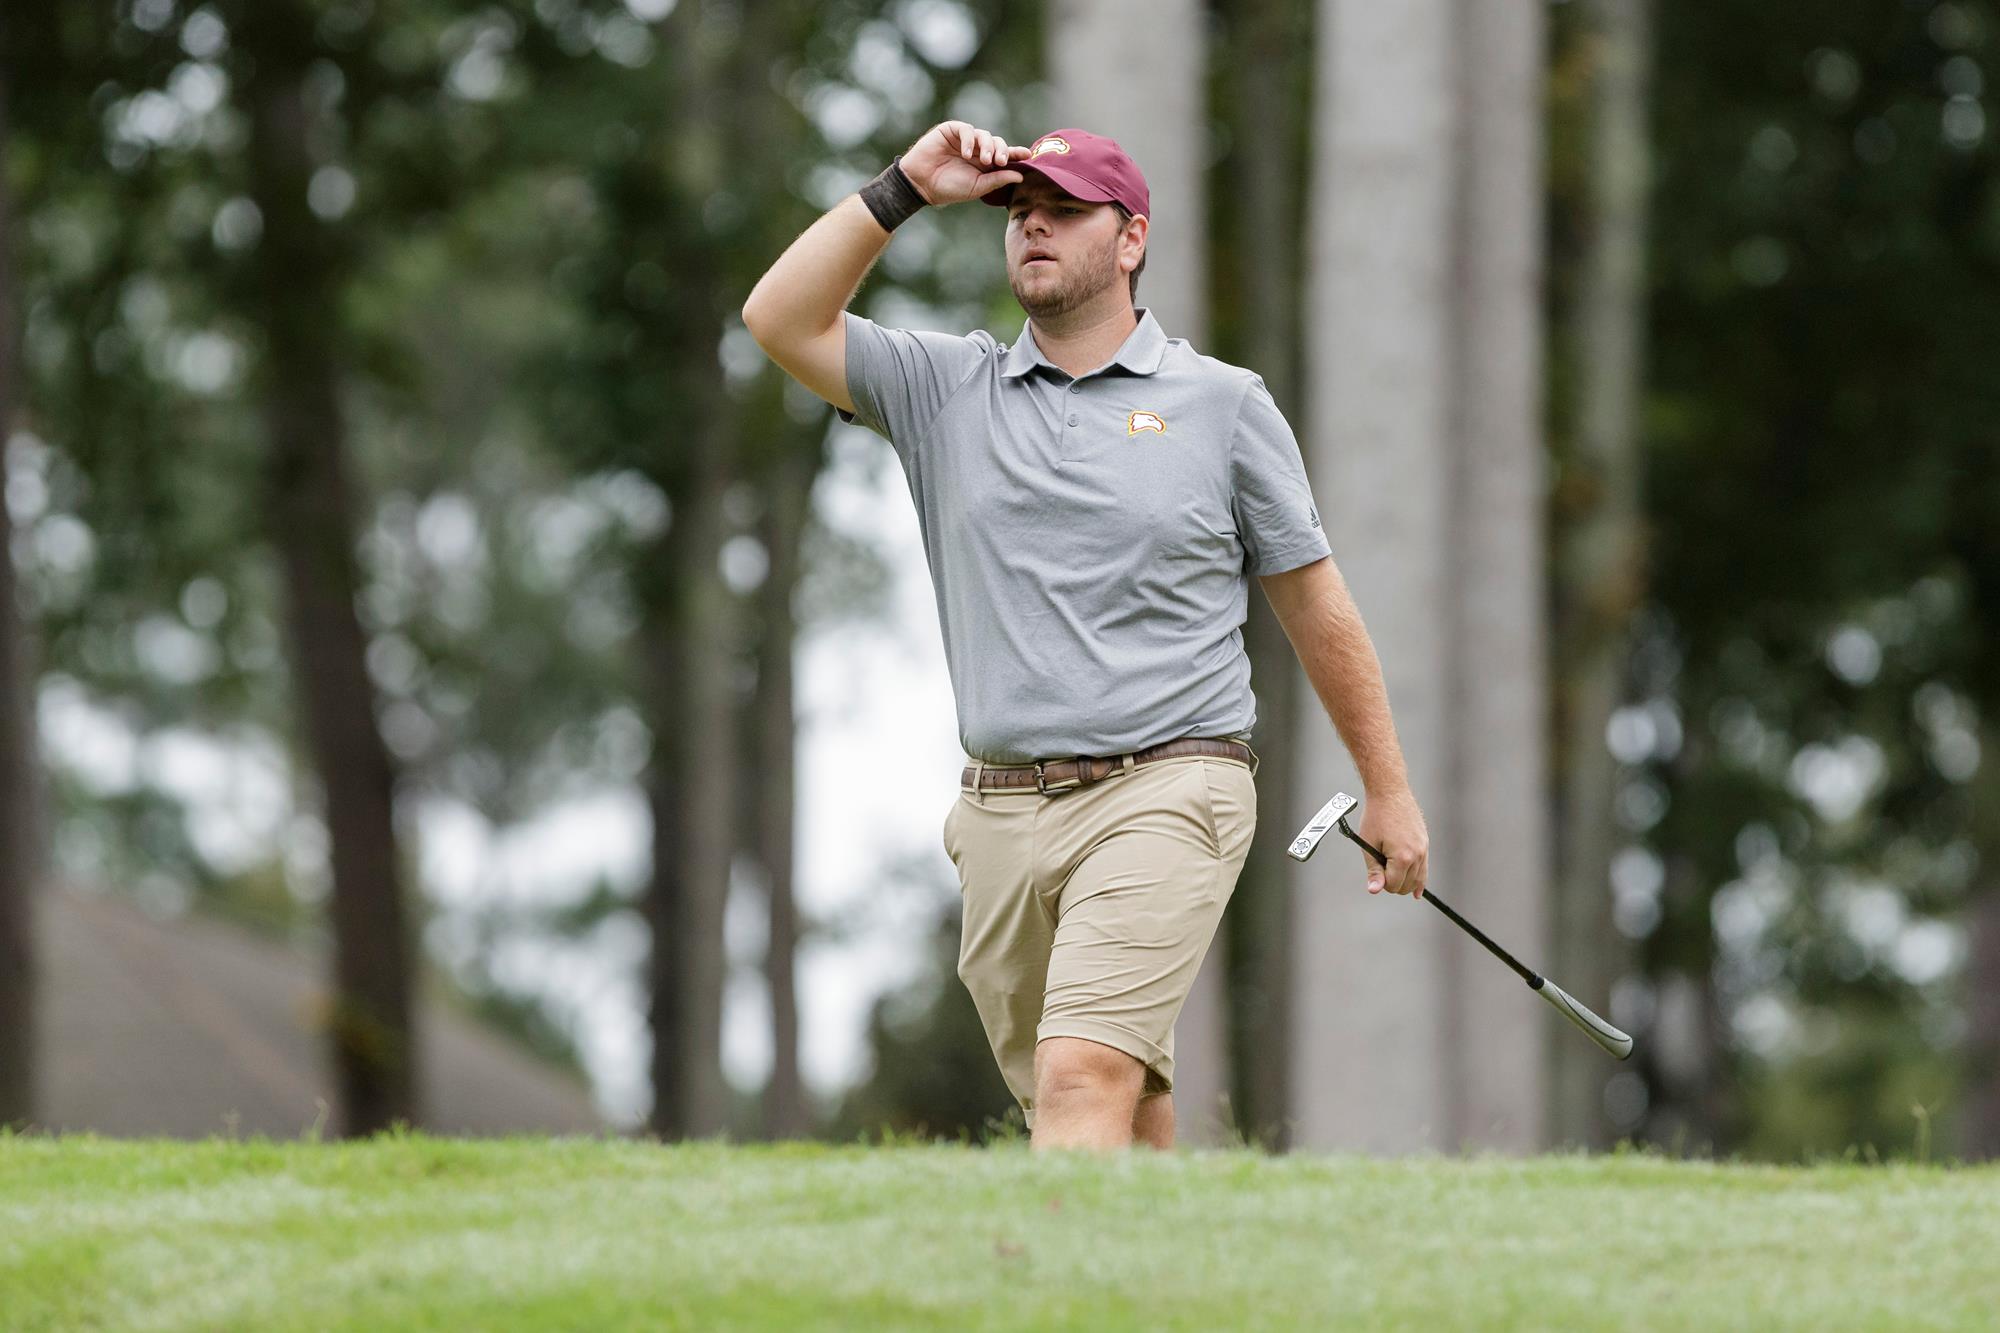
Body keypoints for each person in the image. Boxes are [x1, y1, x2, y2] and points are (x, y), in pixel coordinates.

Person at [743, 121, 1431, 1151]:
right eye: (1019, 212)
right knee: (1117, 1107)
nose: (1032, 227)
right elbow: (779, 319)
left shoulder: (1221, 407)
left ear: (1130, 241)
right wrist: (903, 189)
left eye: (1063, 211)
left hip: (1168, 784)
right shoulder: (944, 390)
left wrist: (1387, 786)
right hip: (998, 813)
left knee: (1078, 1079)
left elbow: (1312, 603)